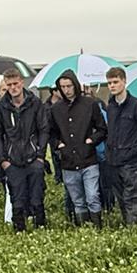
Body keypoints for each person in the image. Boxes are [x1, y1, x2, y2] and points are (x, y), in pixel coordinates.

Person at [0, 68, 49, 231]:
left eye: (15, 83)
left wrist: (40, 155)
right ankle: (19, 231)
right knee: (17, 199)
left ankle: (41, 228)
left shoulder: (35, 103)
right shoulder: (1, 107)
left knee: (37, 197)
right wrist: (3, 160)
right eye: (9, 85)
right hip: (13, 161)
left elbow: (44, 129)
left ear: (22, 82)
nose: (13, 88)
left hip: (33, 158)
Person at [47, 72, 108, 227]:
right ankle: (84, 229)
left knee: (92, 197)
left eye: (69, 86)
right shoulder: (55, 109)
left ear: (75, 85)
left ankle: (97, 228)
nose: (66, 90)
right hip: (68, 161)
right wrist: (58, 145)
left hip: (88, 158)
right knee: (78, 201)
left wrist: (91, 140)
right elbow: (51, 133)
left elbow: (102, 129)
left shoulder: (90, 104)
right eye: (63, 87)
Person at [103, 66, 137, 224]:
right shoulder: (111, 107)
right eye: (109, 83)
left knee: (131, 199)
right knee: (121, 199)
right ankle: (130, 226)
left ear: (124, 81)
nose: (112, 86)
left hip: (131, 161)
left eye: (115, 82)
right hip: (114, 161)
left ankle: (133, 229)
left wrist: (135, 150)